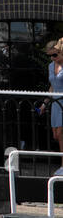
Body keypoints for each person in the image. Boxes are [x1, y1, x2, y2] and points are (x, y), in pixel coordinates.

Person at [42, 38, 63, 178]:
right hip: (55, 102)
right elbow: (52, 85)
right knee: (56, 135)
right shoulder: (51, 66)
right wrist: (45, 103)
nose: (53, 58)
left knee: (61, 134)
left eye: (55, 55)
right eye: (50, 55)